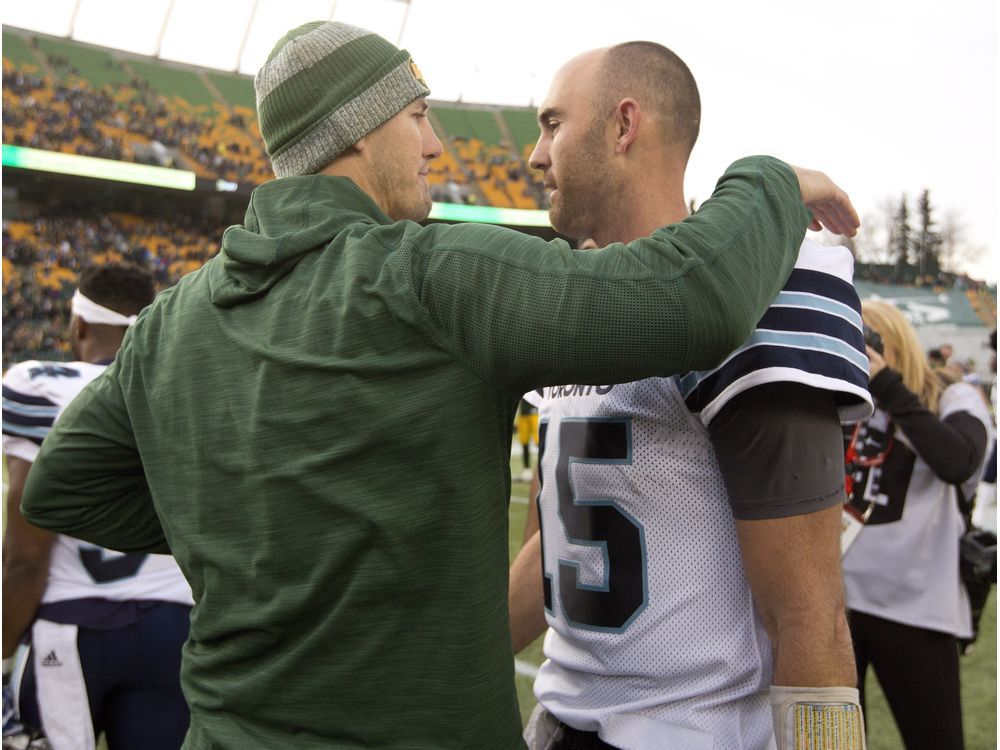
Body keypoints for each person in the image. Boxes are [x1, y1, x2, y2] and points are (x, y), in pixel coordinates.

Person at [19, 21, 859, 749]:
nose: (437, 146)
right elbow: (693, 298)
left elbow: (61, 484)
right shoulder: (431, 277)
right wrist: (769, 182)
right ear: (358, 131)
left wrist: (255, 525)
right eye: (418, 116)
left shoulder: (172, 319)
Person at [507, 42, 872, 749]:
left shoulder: (765, 293)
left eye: (553, 124)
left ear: (623, 126)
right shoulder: (568, 301)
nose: (536, 155)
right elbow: (556, 540)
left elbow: (809, 617)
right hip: (562, 724)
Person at [2, 262, 193, 750]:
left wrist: (2, 655)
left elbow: (26, 552)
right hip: (175, 627)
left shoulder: (38, 381)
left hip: (73, 624)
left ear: (79, 324)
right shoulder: (186, 385)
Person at [843, 301, 992, 750]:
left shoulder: (948, 394)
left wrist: (887, 383)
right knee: (837, 740)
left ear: (894, 342)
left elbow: (958, 461)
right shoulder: (838, 394)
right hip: (835, 601)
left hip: (914, 603)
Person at [516, 398, 540, 482]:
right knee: (524, 442)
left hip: (534, 412)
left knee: (539, 441)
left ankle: (544, 467)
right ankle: (526, 469)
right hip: (523, 414)